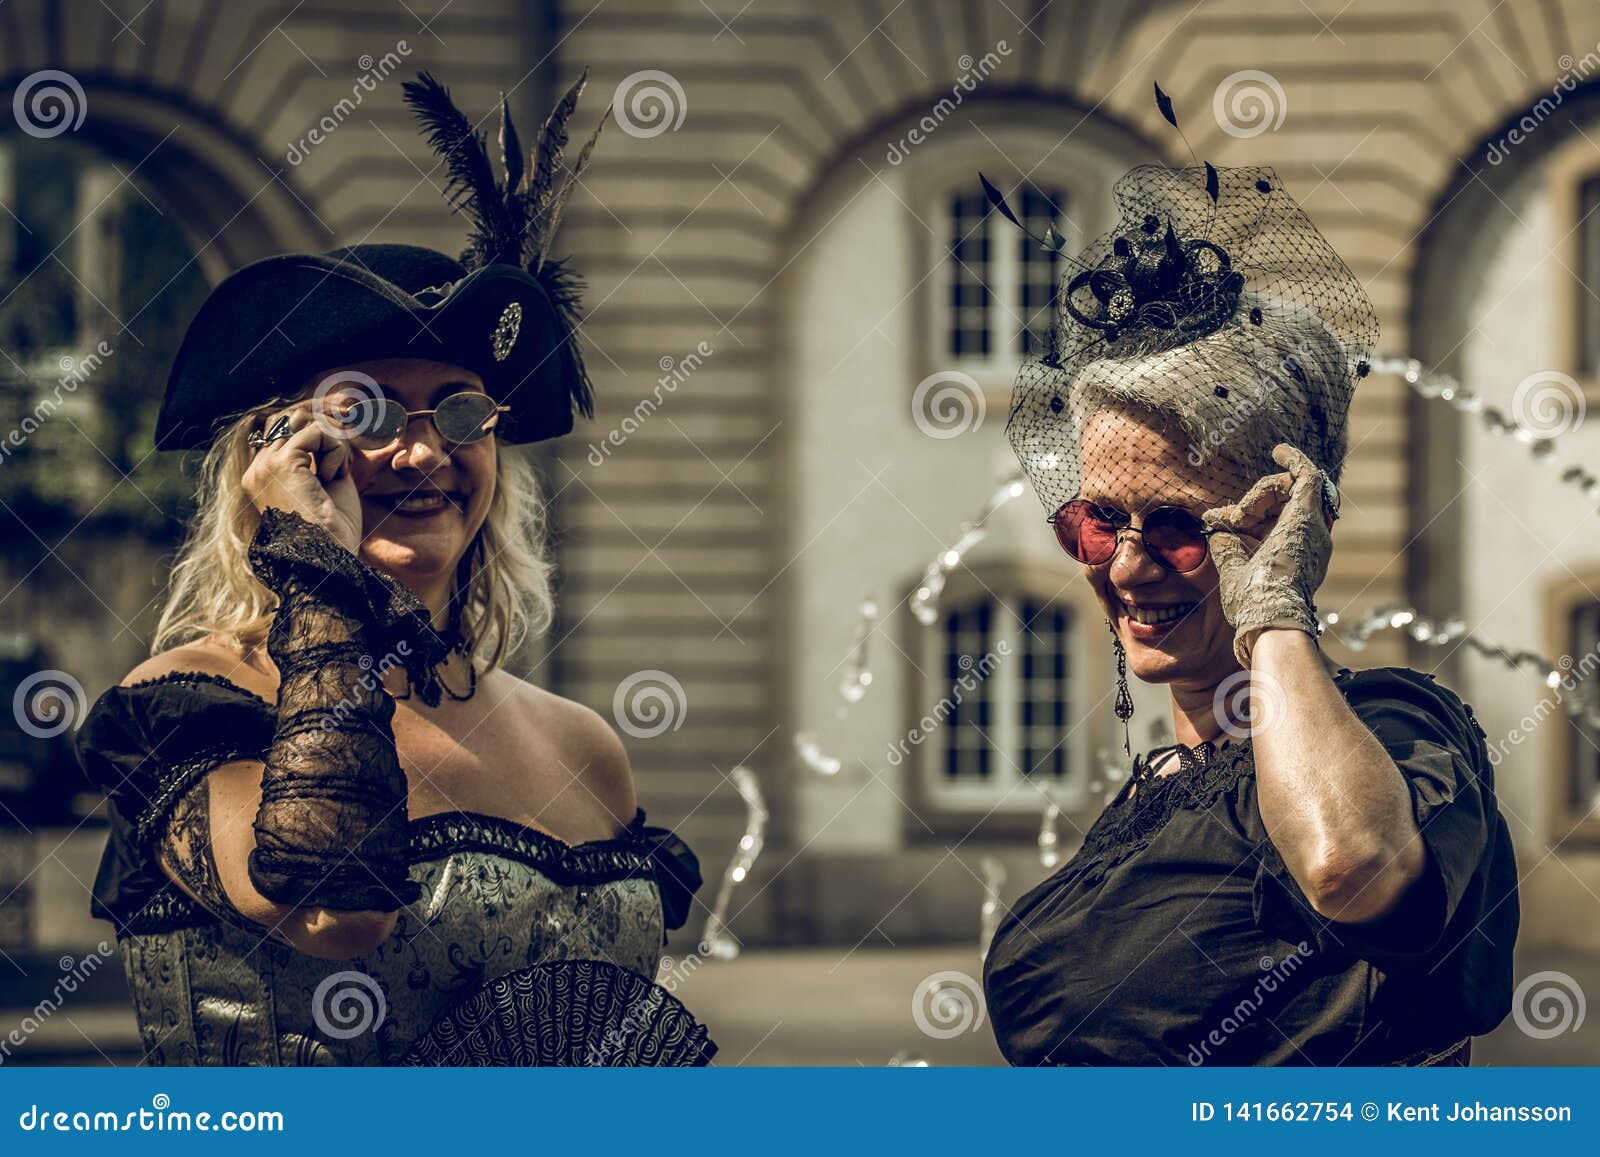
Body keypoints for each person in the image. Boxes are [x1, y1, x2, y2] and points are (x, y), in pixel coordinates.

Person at [72, 72, 715, 1066]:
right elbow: (335, 906)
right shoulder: (188, 704)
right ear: (272, 454)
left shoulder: (582, 742)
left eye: (460, 410)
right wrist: (316, 567)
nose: (423, 453)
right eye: (365, 413)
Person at [980, 91, 1518, 1066]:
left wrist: (1272, 606)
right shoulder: (1160, 787)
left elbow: (1352, 866)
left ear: (1283, 517)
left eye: (1182, 528)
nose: (1129, 565)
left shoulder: (1401, 734)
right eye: (1098, 521)